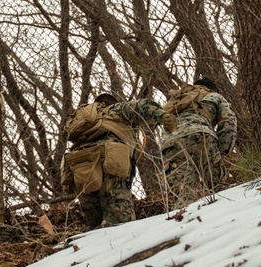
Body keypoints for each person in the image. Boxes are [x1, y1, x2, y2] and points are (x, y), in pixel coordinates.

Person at [60, 92, 175, 228]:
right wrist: (162, 115)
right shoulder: (113, 110)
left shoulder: (83, 121)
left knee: (94, 224)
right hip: (109, 162)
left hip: (81, 167)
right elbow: (140, 106)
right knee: (120, 221)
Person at [161, 77, 237, 208]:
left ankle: (186, 225)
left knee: (183, 195)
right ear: (211, 88)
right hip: (201, 135)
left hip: (170, 143)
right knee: (218, 188)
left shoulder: (176, 100)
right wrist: (222, 150)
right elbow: (229, 122)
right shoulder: (214, 96)